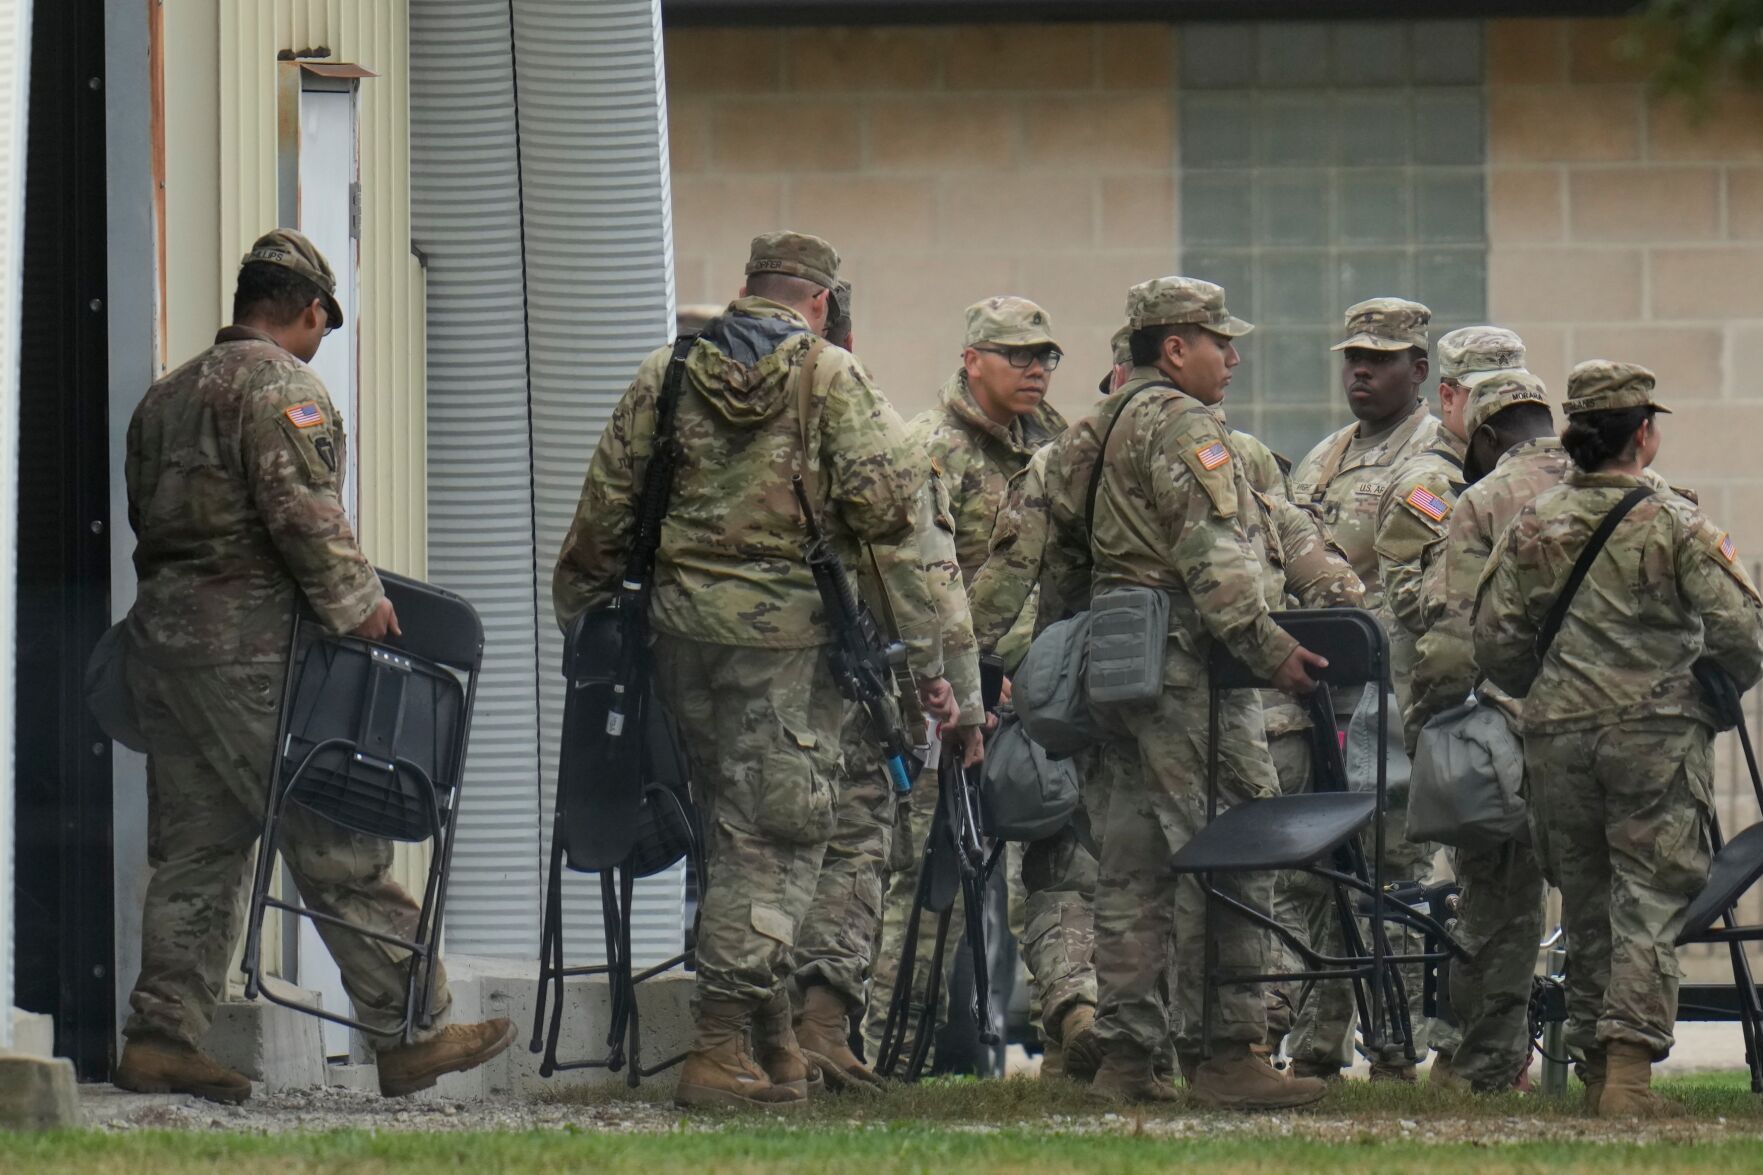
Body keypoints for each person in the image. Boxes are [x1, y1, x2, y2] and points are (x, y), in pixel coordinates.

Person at [554, 232, 977, 1111]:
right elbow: (890, 523)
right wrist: (931, 664)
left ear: (749, 288)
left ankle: (778, 1043)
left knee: (730, 821)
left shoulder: (665, 373)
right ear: (819, 301)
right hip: (786, 648)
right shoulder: (831, 377)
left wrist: (588, 622)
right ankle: (716, 1048)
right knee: (777, 835)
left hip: (676, 641)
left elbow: (602, 513)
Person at [113, 229, 515, 1104]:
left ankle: (160, 1033)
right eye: (323, 328)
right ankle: (411, 1029)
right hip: (255, 654)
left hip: (165, 653)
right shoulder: (282, 386)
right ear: (307, 313)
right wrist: (358, 602)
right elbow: (305, 513)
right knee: (334, 830)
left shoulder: (164, 398)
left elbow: (152, 525)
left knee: (198, 848)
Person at [1474, 360, 1763, 1117]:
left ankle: (1598, 1070)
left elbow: (1495, 645)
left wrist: (1552, 684)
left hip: (1556, 738)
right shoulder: (1674, 520)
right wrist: (1712, 683)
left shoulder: (1529, 523)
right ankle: (1628, 1076)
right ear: (1642, 434)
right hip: (1654, 735)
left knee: (1587, 895)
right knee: (1649, 894)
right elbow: (1742, 631)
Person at [1070, 276, 1329, 1109]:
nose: (1234, 356)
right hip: (1187, 668)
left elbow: (1051, 557)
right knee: (1240, 840)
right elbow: (1213, 556)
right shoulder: (1184, 423)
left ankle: (1126, 1058)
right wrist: (1270, 647)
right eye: (1221, 341)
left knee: (1133, 864)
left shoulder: (1094, 426)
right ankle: (1227, 1051)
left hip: (1112, 662)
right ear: (1174, 348)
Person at [786, 280, 987, 1093]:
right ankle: (822, 1027)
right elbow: (926, 573)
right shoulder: (878, 434)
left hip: (733, 668)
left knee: (761, 846)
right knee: (858, 840)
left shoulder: (704, 413)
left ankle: (767, 1035)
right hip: (849, 681)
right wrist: (952, 694)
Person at [866, 297, 1072, 1072]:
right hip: (949, 695)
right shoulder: (930, 448)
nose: (1034, 369)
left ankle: (1059, 1035)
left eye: (1044, 356)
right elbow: (917, 586)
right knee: (927, 880)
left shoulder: (1053, 446)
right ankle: (890, 1048)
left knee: (1044, 873)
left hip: (1034, 694)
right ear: (970, 359)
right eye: (1016, 355)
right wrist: (958, 692)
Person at [1285, 297, 1449, 1082]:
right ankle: (1315, 1047)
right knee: (1315, 869)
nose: (1360, 369)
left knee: (1392, 872)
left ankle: (1393, 1044)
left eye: (1379, 359)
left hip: (1391, 690)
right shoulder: (1323, 457)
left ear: (1418, 369)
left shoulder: (1436, 459)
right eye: (1352, 355)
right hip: (1315, 695)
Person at [1404, 359, 1558, 1094]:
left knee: (1497, 904)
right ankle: (1611, 1066)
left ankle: (1483, 1064)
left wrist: (1430, 717)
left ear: (1490, 435)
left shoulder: (1483, 499)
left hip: (1512, 736)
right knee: (1609, 899)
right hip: (1616, 735)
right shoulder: (1624, 489)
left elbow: (1448, 634)